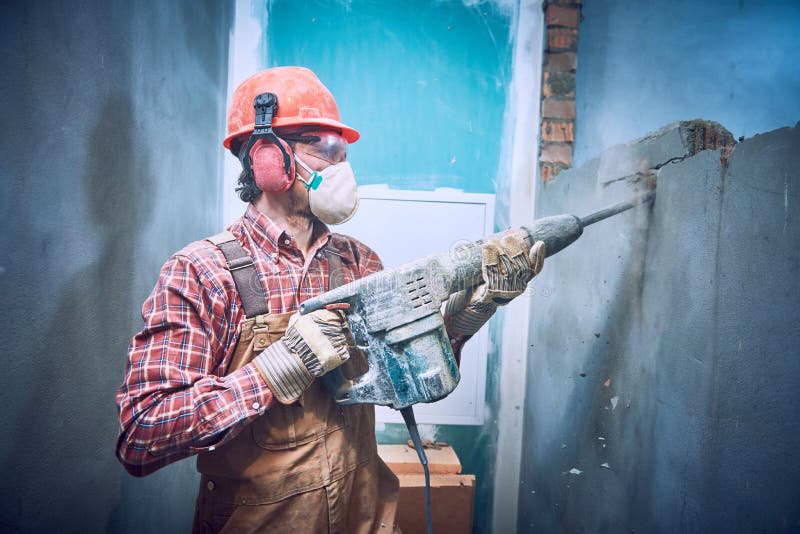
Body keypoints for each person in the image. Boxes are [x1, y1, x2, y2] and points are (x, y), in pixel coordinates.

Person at [115, 66, 545, 533]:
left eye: (343, 152)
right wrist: (276, 369)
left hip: (367, 520)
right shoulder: (202, 272)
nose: (340, 168)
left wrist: (463, 320)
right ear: (266, 157)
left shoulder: (359, 261)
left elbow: (403, 381)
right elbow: (142, 434)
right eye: (321, 148)